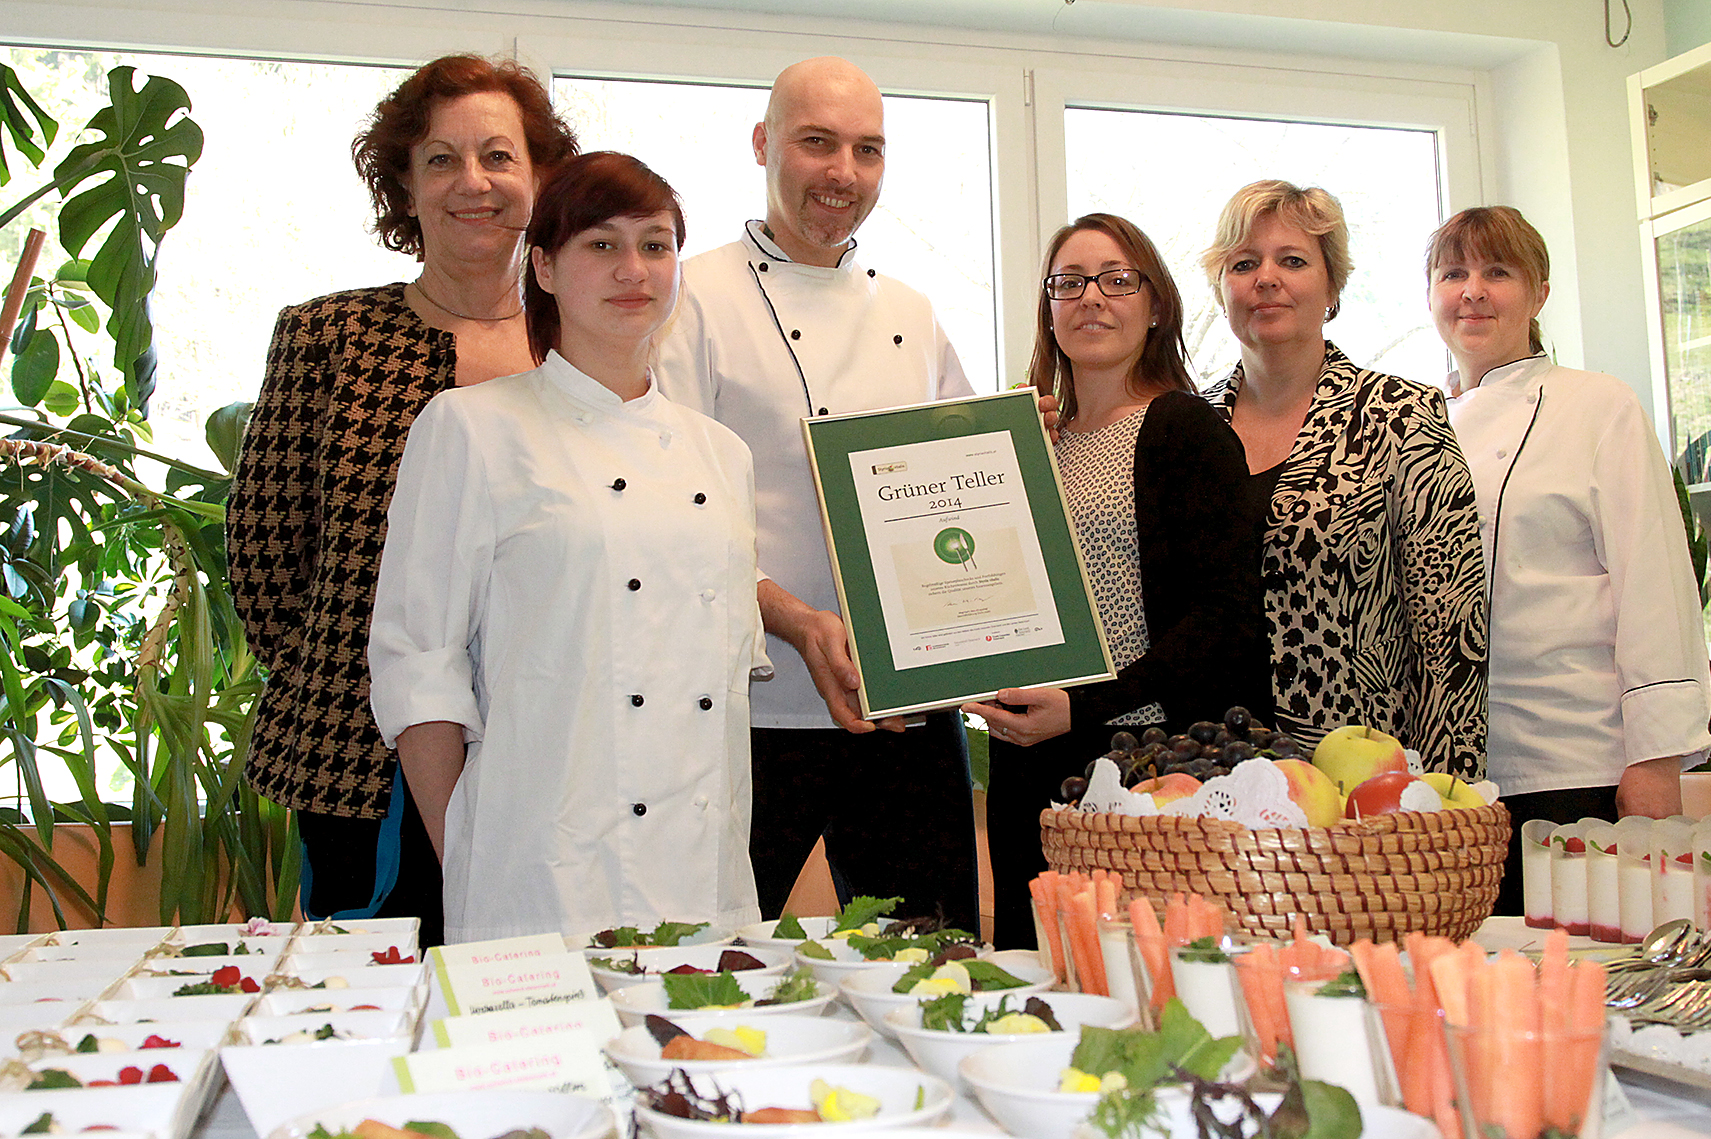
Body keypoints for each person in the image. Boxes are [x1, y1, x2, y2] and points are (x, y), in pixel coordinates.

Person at [367, 152, 764, 943]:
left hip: (704, 880)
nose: (634, 270)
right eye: (601, 245)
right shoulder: (471, 427)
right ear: (544, 266)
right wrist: (475, 853)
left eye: (656, 245)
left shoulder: (723, 456)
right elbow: (420, 665)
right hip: (538, 879)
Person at [226, 55, 576, 944]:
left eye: (499, 157)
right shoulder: (328, 336)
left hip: (555, 751)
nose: (475, 184)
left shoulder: (587, 351)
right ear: (404, 187)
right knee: (376, 994)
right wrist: (360, 680)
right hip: (361, 763)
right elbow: (267, 561)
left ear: (539, 180)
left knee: (537, 990)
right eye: (441, 160)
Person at [654, 56, 980, 930]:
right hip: (752, 712)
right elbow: (672, 519)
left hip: (908, 710)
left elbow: (962, 502)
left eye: (867, 150)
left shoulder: (911, 311)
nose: (844, 172)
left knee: (935, 956)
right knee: (716, 959)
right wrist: (796, 619)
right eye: (817, 143)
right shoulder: (690, 299)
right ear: (764, 144)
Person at [963, 214, 1270, 949]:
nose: (1090, 298)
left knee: (1138, 983)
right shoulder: (1030, 443)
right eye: (1068, 283)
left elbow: (1222, 618)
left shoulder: (1184, 429)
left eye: (1116, 279)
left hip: (1142, 769)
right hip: (1029, 762)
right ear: (1048, 306)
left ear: (1155, 304)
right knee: (1032, 982)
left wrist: (1085, 706)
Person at [1427, 205, 1711, 913]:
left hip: (1578, 760)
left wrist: (1655, 758)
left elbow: (1655, 583)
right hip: (1450, 782)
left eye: (1499, 271)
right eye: (1453, 272)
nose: (1473, 290)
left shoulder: (1597, 405)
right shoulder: (1421, 422)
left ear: (1540, 292)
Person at [1199, 180, 1488, 777]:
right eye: (1244, 263)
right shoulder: (1189, 431)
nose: (1267, 278)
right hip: (1206, 771)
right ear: (1221, 288)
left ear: (1332, 287)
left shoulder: (1400, 414)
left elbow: (1452, 631)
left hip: (1362, 780)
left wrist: (1437, 797)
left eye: (1294, 260)